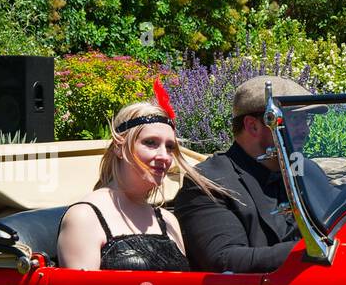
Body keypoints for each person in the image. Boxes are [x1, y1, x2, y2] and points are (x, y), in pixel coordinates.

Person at [173, 75, 328, 273]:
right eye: (293, 119)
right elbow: (224, 259)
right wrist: (314, 249)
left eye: (306, 119)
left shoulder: (308, 171)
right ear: (252, 126)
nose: (305, 129)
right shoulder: (209, 182)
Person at [56, 90, 201, 271]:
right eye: (150, 143)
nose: (164, 156)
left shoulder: (168, 220)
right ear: (119, 147)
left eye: (170, 147)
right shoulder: (85, 217)